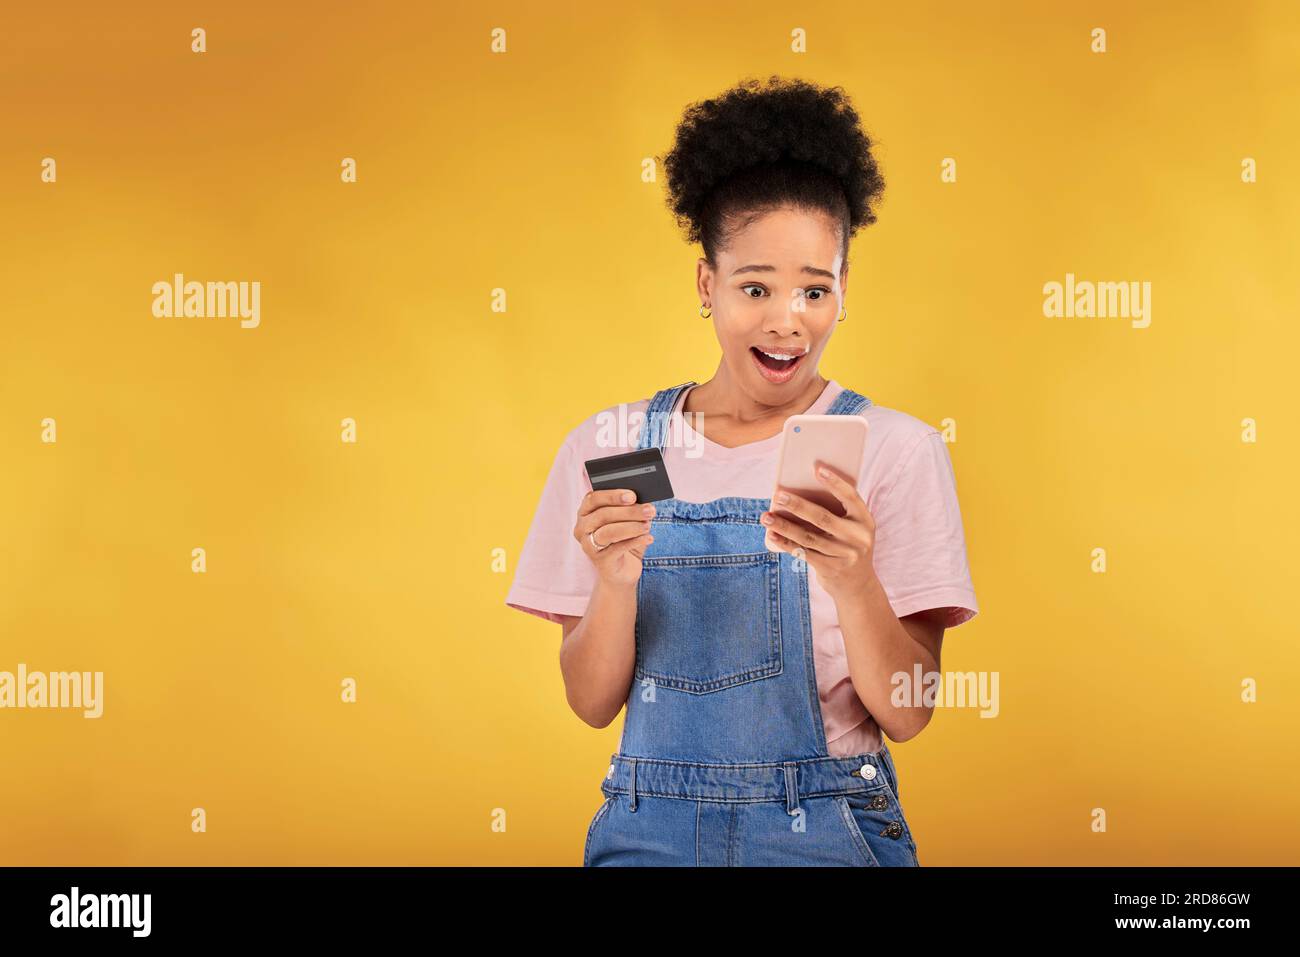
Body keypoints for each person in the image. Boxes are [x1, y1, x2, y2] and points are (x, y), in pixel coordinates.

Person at [505, 75, 978, 866]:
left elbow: (910, 712)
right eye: (755, 286)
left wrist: (856, 578)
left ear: (843, 291)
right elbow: (590, 703)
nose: (787, 319)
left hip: (826, 827)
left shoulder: (895, 449)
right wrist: (616, 578)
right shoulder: (623, 444)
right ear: (706, 285)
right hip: (645, 829)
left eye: (814, 289)